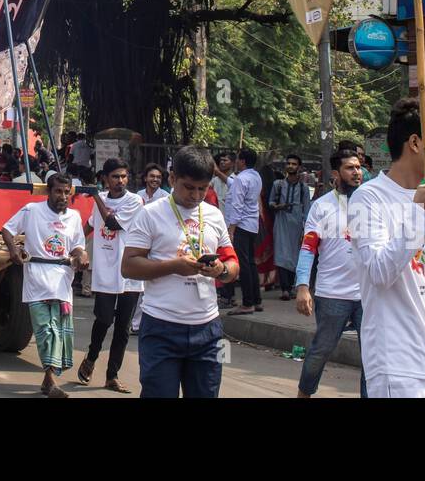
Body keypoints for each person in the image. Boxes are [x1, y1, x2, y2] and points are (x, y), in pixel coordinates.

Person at [351, 98, 425, 398]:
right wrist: (421, 215)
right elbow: (378, 271)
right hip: (396, 365)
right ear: (416, 143)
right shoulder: (366, 199)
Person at [122, 146, 237, 398]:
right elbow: (129, 265)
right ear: (172, 179)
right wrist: (173, 266)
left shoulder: (214, 215)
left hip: (208, 330)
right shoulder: (149, 214)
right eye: (189, 187)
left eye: (203, 188)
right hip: (161, 327)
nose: (196, 195)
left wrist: (221, 270)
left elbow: (233, 265)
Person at [2, 173, 88, 397]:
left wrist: (82, 256)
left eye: (66, 192)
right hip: (37, 278)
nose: (62, 196)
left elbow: (78, 245)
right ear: (49, 191)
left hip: (62, 279)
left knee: (59, 331)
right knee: (45, 329)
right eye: (58, 191)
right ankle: (50, 381)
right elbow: (7, 230)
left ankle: (48, 379)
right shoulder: (32, 210)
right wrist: (13, 251)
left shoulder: (75, 217)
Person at [295, 148, 366, 398]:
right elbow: (308, 247)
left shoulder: (374, 203)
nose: (357, 172)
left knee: (373, 353)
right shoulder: (321, 206)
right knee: (321, 350)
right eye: (350, 168)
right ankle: (304, 393)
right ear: (336, 173)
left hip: (368, 294)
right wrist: (303, 285)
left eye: (359, 167)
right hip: (332, 293)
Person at [77, 158, 144, 393]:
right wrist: (75, 247)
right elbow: (91, 226)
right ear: (106, 178)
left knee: (123, 328)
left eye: (124, 176)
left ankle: (112, 376)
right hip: (105, 271)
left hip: (130, 272)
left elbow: (112, 223)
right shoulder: (101, 199)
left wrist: (95, 196)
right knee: (104, 320)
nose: (120, 181)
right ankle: (92, 357)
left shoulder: (134, 201)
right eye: (115, 176)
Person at [224, 149, 263, 315]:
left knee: (244, 264)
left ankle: (247, 302)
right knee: (251, 263)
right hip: (252, 224)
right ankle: (256, 299)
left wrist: (231, 229)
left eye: (238, 159)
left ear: (243, 161)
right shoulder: (256, 177)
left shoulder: (241, 179)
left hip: (241, 225)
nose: (236, 162)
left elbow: (237, 205)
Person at [269, 157, 311, 301]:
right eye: (289, 163)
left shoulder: (303, 187)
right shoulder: (278, 184)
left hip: (297, 224)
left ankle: (293, 287)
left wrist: (306, 228)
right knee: (281, 254)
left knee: (295, 255)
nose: (291, 166)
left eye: (294, 164)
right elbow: (271, 202)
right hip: (281, 222)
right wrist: (278, 206)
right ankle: (285, 289)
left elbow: (307, 208)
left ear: (299, 167)